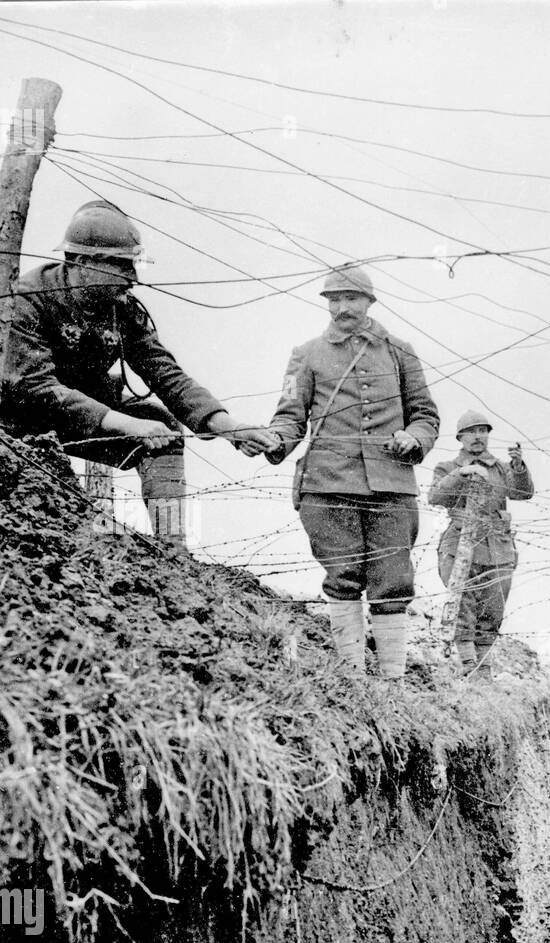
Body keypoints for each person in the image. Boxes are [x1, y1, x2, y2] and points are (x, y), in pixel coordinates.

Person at [1, 200, 275, 546]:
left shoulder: (121, 308)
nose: (133, 277)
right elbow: (33, 387)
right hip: (18, 420)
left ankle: (174, 548)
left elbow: (166, 374)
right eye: (121, 265)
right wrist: (125, 423)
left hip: (84, 418)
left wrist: (228, 427)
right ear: (82, 263)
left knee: (161, 426)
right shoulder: (26, 298)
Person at [265, 265, 439, 679]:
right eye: (334, 299)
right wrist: (275, 440)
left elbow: (426, 415)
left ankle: (393, 681)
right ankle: (353, 677)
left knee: (392, 581)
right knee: (342, 576)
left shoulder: (400, 351)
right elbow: (289, 418)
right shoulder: (304, 355)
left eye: (351, 298)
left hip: (391, 486)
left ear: (369, 302)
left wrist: (414, 439)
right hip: (328, 485)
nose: (342, 307)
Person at [428, 409, 534, 678]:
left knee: (493, 607)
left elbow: (522, 493)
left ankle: (483, 672)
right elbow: (436, 496)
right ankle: (466, 667)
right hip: (459, 545)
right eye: (472, 432)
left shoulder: (500, 467)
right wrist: (463, 473)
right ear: (460, 437)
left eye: (483, 431)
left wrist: (519, 467)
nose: (478, 437)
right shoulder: (447, 467)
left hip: (497, 547)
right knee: (462, 605)